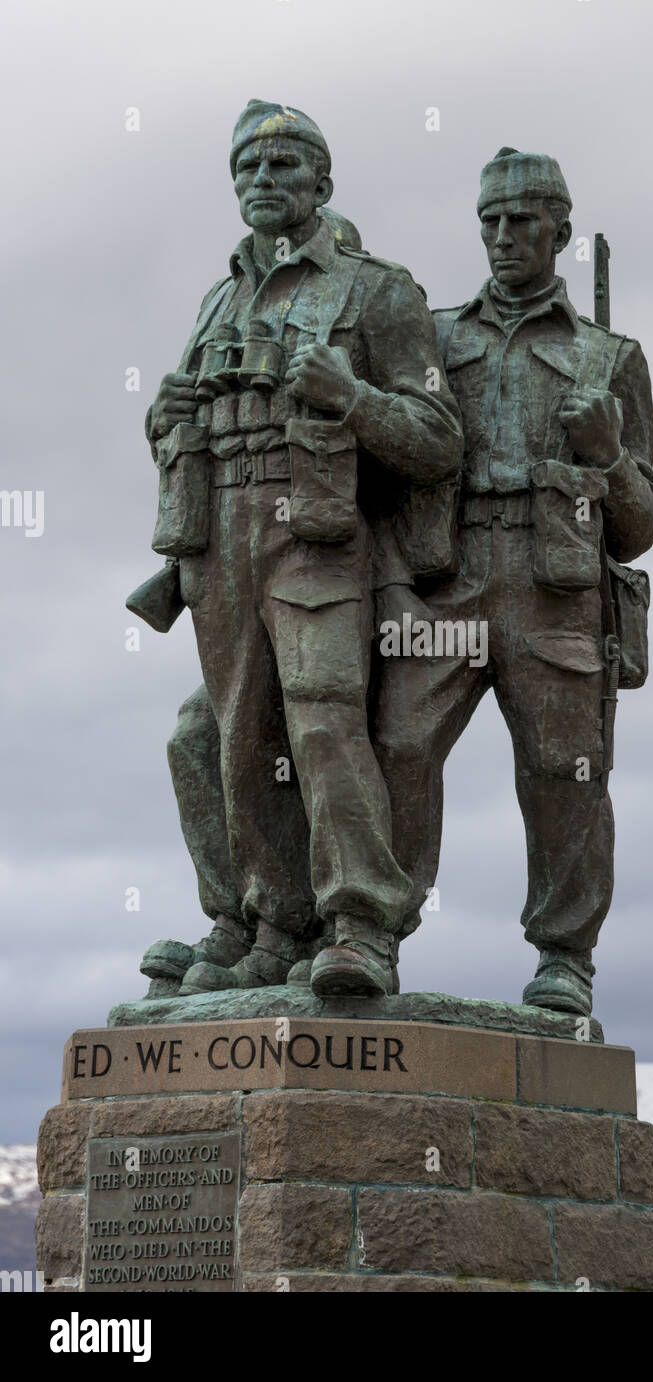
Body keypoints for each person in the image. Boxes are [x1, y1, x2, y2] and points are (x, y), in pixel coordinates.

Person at [139, 100, 462, 997]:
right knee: (222, 737)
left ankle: (359, 923)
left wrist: (352, 397)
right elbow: (190, 420)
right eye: (247, 169)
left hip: (314, 534)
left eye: (284, 167)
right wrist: (161, 419)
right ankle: (267, 922)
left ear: (322, 183)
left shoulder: (376, 290)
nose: (263, 182)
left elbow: (439, 439)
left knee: (320, 717)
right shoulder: (219, 300)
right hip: (219, 542)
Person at [373, 147, 653, 1015]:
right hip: (447, 575)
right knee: (398, 745)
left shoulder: (611, 358)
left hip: (555, 587)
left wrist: (608, 455)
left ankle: (563, 956)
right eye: (489, 222)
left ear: (559, 234)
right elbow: (389, 469)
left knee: (564, 770)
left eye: (522, 221)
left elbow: (640, 525)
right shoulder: (435, 335)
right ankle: (373, 932)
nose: (502, 237)